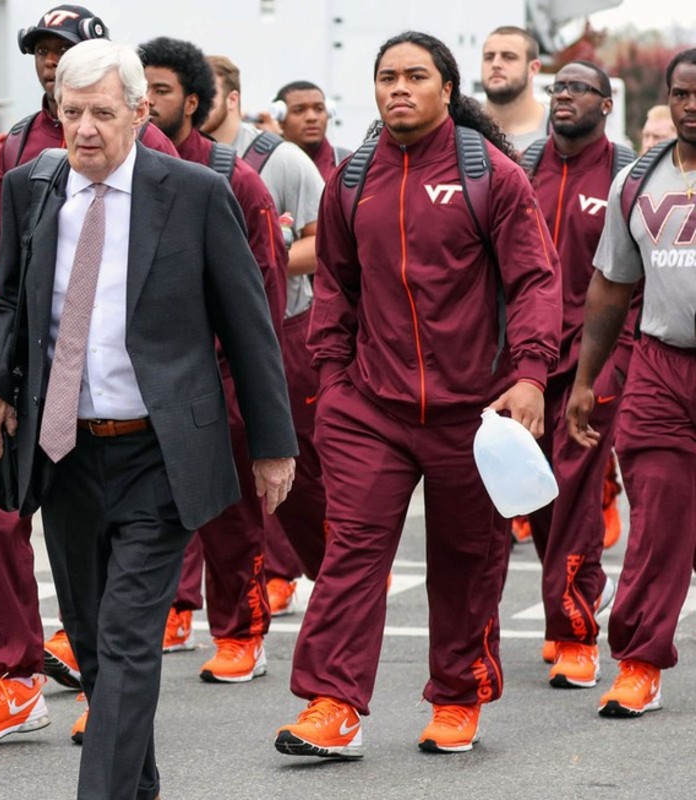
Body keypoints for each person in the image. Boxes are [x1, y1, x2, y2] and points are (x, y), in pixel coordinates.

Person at [0, 39, 296, 798]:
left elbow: (248, 327)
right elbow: (4, 297)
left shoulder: (198, 194)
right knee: (92, 648)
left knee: (129, 638)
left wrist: (274, 446)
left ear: (141, 113)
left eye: (102, 113)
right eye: (69, 112)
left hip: (161, 453)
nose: (83, 129)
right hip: (65, 451)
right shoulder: (29, 190)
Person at [276, 31, 560, 759]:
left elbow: (534, 281)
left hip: (477, 411)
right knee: (352, 555)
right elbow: (336, 286)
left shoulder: (490, 173)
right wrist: (335, 384)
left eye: (415, 76)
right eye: (386, 77)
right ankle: (332, 705)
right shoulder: (353, 177)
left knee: (468, 558)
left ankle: (458, 696)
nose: (398, 88)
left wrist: (529, 376)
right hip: (371, 408)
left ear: (446, 88)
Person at [0, 3, 179, 747]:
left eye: (66, 48)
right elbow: (2, 278)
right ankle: (14, 679)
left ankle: (104, 689)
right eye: (42, 52)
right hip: (38, 387)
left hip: (134, 408)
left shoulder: (150, 147)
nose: (51, 61)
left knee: (113, 577)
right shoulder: (19, 151)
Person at [138, 35, 287, 684]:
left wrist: (243, 393)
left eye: (161, 90)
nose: (145, 101)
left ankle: (240, 633)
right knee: (142, 512)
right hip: (139, 384)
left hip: (216, 385)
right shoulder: (119, 170)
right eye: (137, 88)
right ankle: (169, 610)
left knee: (230, 521)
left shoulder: (235, 181)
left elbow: (263, 306)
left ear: (193, 102)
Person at [566, 48, 696, 720]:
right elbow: (612, 286)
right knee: (658, 526)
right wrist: (586, 380)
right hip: (660, 367)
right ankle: (640, 663)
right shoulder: (638, 181)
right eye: (681, 93)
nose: (692, 105)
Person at [521, 61, 634, 687]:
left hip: (598, 358)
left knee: (574, 486)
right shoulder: (523, 167)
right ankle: (583, 591)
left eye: (579, 89)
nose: (564, 97)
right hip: (528, 357)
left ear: (606, 103)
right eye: (557, 88)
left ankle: (574, 634)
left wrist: (618, 356)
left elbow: (634, 275)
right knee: (534, 490)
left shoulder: (625, 173)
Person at [203, 54, 329, 619]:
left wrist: (257, 261)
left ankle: (338, 573)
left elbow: (322, 244)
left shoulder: (281, 162)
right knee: (205, 481)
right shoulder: (166, 160)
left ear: (230, 97)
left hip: (284, 332)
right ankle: (216, 609)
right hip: (203, 348)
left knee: (294, 471)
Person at [481, 25, 548, 155]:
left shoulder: (559, 129)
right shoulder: (461, 125)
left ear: (533, 68)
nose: (496, 64)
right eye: (489, 57)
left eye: (509, 57)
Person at [272, 80, 352, 182]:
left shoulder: (349, 164)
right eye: (299, 110)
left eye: (319, 109)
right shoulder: (268, 164)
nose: (312, 117)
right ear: (280, 119)